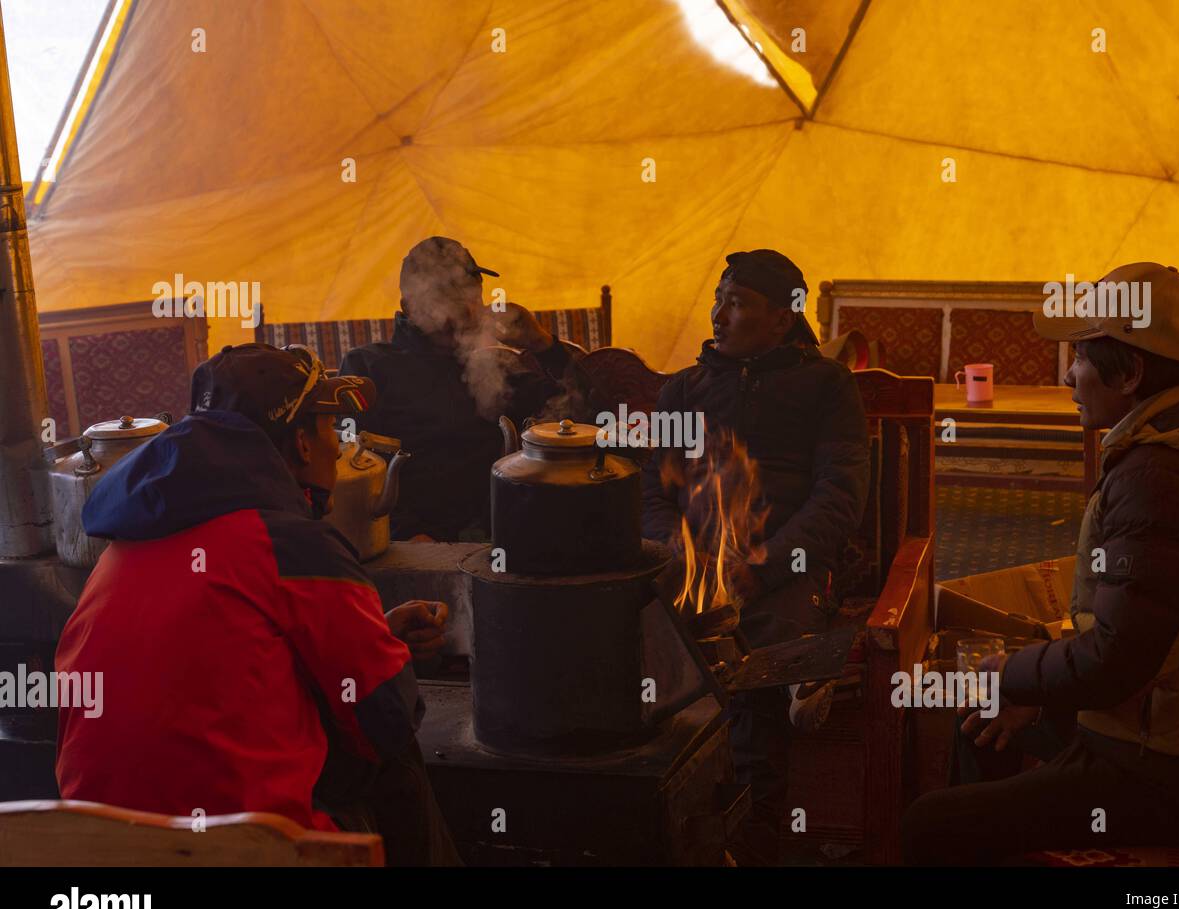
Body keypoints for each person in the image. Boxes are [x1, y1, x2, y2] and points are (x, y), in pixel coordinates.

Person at [903, 262, 1179, 865]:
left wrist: (1008, 671)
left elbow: (1118, 662)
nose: (1068, 374)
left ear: (1132, 371)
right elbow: (1141, 642)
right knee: (984, 725)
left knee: (929, 825)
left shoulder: (1165, 479)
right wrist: (1031, 688)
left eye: (1082, 356)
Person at [56, 343, 461, 865]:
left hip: (96, 850)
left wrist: (372, 633)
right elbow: (387, 714)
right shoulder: (291, 543)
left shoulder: (130, 535)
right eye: (330, 429)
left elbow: (219, 660)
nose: (339, 449)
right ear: (299, 443)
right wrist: (381, 658)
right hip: (238, 848)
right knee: (396, 759)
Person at [642, 249, 870, 865]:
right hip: (692, 567)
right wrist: (678, 559)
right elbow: (655, 495)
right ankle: (663, 820)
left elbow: (838, 496)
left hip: (787, 566)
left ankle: (756, 831)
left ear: (783, 318)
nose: (718, 313)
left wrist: (765, 565)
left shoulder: (826, 385)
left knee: (758, 664)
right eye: (720, 297)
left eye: (737, 302)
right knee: (644, 649)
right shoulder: (684, 390)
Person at [339, 236, 592, 541]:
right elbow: (350, 467)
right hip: (406, 545)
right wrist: (406, 535)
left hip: (496, 537)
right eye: (450, 299)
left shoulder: (492, 371)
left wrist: (542, 344)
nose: (470, 313)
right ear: (410, 307)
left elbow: (581, 415)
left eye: (474, 297)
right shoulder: (369, 368)